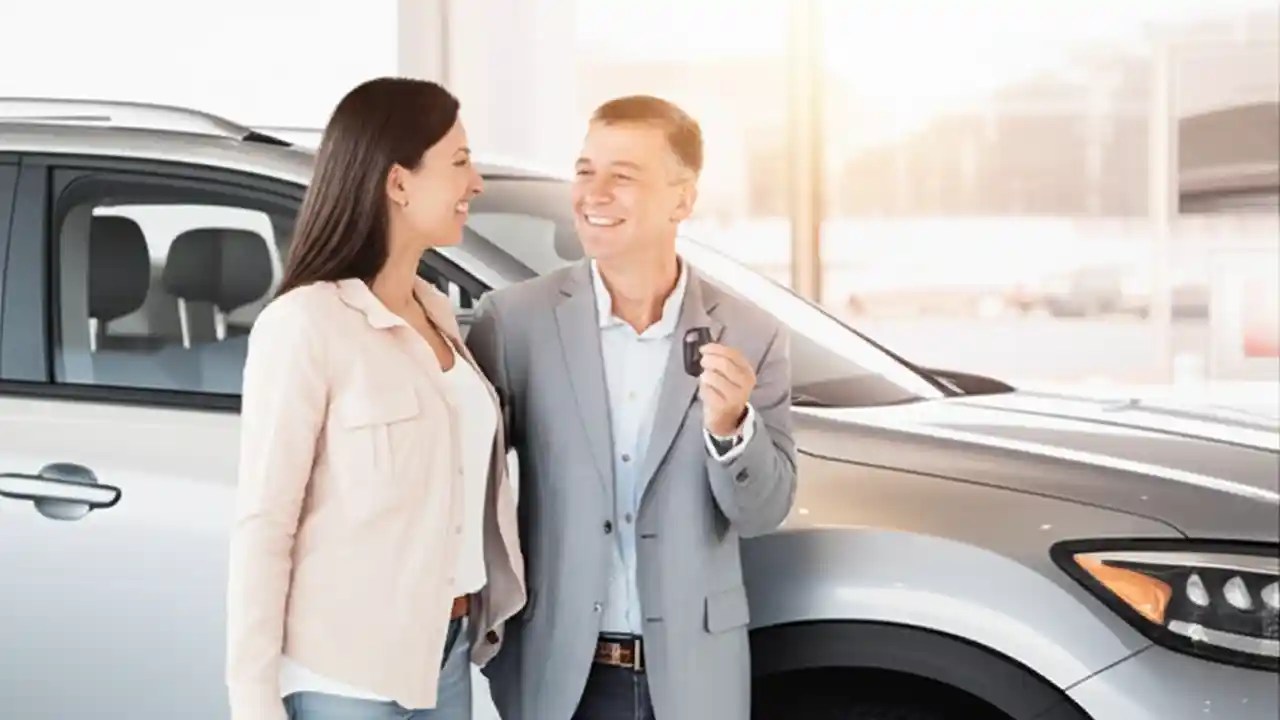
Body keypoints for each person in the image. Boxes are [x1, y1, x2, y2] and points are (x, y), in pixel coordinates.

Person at [467, 95, 797, 720]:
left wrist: (730, 429)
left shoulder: (751, 334)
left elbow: (763, 512)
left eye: (622, 175)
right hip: (558, 675)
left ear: (682, 200)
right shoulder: (514, 323)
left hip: (694, 680)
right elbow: (461, 482)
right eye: (585, 170)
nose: (593, 194)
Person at [225, 77, 526, 720]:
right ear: (398, 183)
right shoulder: (305, 324)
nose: (475, 183)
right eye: (459, 162)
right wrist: (253, 700)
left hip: (445, 654)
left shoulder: (436, 311)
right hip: (346, 673)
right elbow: (264, 524)